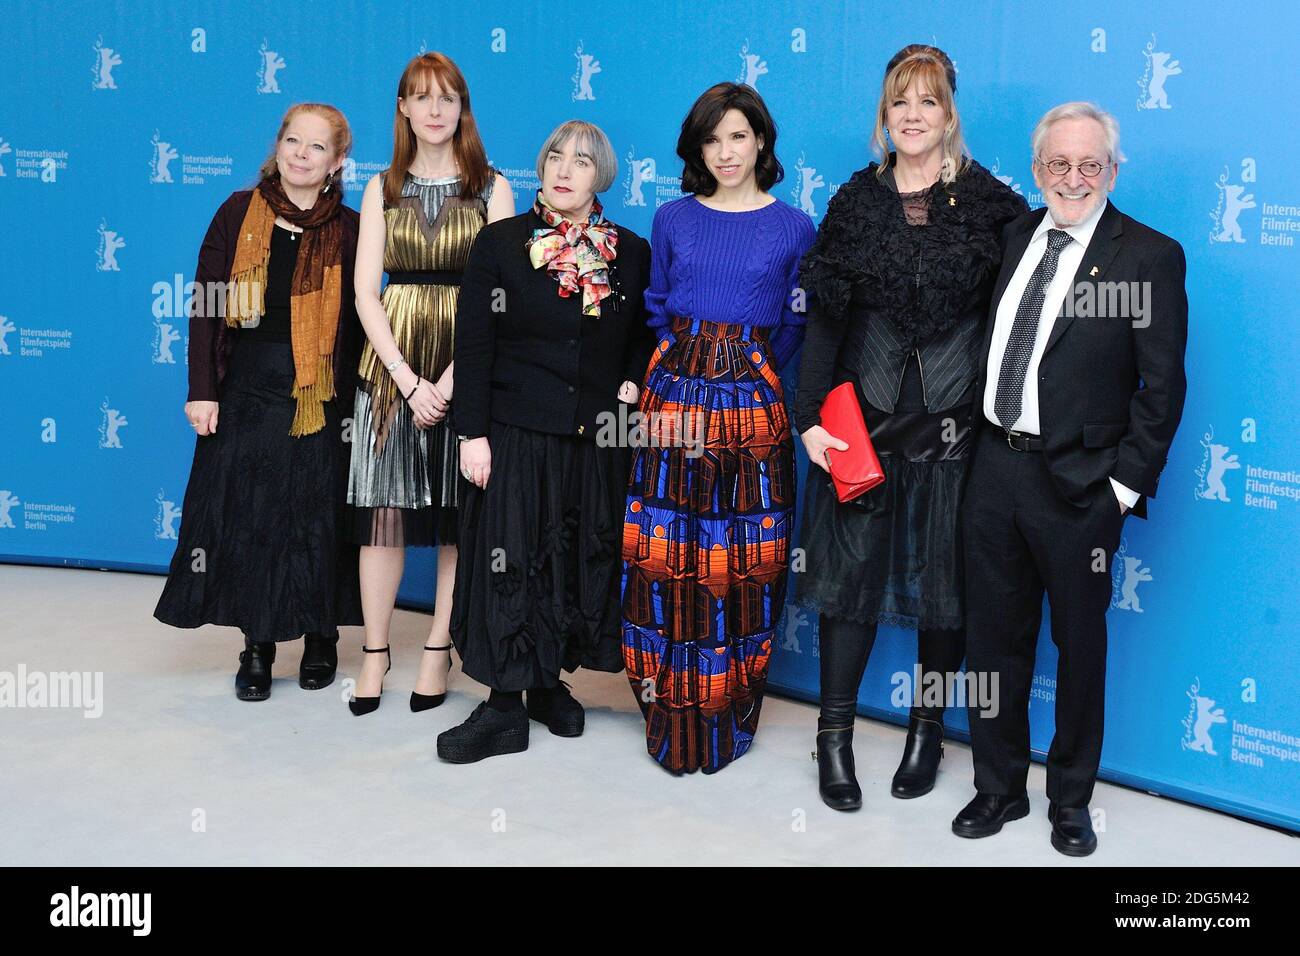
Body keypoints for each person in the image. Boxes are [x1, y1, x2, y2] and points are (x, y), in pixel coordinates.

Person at [794, 46, 1027, 809]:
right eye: (900, 103)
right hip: (862, 423)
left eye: (927, 102)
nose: (913, 116)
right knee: (846, 582)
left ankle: (927, 731)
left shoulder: (992, 205)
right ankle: (834, 739)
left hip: (955, 430)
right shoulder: (855, 203)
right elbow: (826, 322)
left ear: (949, 114)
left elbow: (1010, 326)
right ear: (883, 116)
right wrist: (808, 422)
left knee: (943, 586)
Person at [952, 102, 1187, 856]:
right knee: (992, 640)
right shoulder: (1015, 234)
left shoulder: (1147, 256)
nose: (1074, 178)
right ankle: (997, 790)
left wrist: (1121, 489)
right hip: (993, 470)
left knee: (1080, 650)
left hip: (1082, 488)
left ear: (1113, 170)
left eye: (1091, 164)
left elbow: (1162, 387)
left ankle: (1071, 801)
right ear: (1037, 170)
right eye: (1059, 164)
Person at [436, 120, 653, 763]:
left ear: (601, 177)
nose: (563, 169)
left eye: (581, 161)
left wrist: (633, 383)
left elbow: (643, 333)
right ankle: (504, 705)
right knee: (510, 562)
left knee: (569, 564)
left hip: (593, 440)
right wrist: (471, 432)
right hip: (512, 433)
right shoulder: (501, 244)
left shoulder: (632, 252)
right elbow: (474, 345)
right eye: (555, 156)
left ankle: (547, 684)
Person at [621, 83, 815, 775]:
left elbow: (794, 323)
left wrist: (746, 372)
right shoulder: (672, 217)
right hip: (672, 399)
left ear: (761, 140)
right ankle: (667, 707)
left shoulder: (794, 228)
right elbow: (655, 306)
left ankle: (726, 711)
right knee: (666, 553)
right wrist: (682, 371)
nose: (726, 151)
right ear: (697, 148)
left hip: (751, 411)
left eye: (738, 136)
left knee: (740, 564)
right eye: (712, 139)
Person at [154, 103, 364, 700]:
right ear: (277, 146)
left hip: (323, 396)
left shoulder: (350, 228)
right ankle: (257, 646)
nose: (300, 153)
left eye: (316, 146)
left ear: (337, 161)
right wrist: (201, 390)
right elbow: (205, 305)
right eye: (291, 140)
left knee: (319, 516)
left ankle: (322, 635)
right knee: (252, 518)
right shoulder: (235, 213)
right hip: (246, 389)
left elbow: (365, 315)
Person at [344, 52, 513, 716]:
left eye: (448, 97)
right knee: (381, 519)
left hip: (468, 358)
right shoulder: (379, 187)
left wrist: (450, 378)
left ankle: (439, 648)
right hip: (390, 365)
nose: (435, 109)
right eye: (421, 97)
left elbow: (500, 290)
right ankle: (376, 651)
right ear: (404, 110)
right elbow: (364, 294)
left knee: (454, 519)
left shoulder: (494, 187)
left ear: (463, 108)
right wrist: (409, 381)